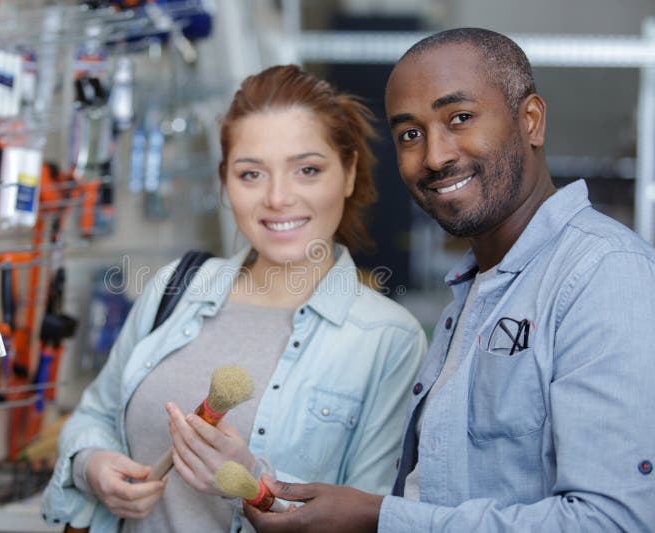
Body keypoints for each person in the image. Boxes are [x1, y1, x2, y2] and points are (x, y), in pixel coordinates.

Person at [245, 28, 655, 533]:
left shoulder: (604, 274)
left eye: (459, 118)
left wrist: (376, 518)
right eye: (409, 135)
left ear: (530, 121)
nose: (435, 156)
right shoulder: (476, 289)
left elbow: (613, 522)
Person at [41, 64, 427, 532]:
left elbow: (373, 519)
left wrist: (250, 483)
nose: (278, 198)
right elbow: (95, 413)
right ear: (226, 182)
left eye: (307, 169)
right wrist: (92, 465)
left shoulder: (389, 340)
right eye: (251, 174)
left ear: (348, 174)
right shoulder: (174, 288)